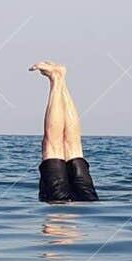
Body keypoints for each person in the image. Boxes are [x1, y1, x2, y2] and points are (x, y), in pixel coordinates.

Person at [31, 62, 99, 203]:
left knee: (72, 146)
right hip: (77, 202)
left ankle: (58, 79)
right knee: (58, 146)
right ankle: (58, 79)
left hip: (84, 200)